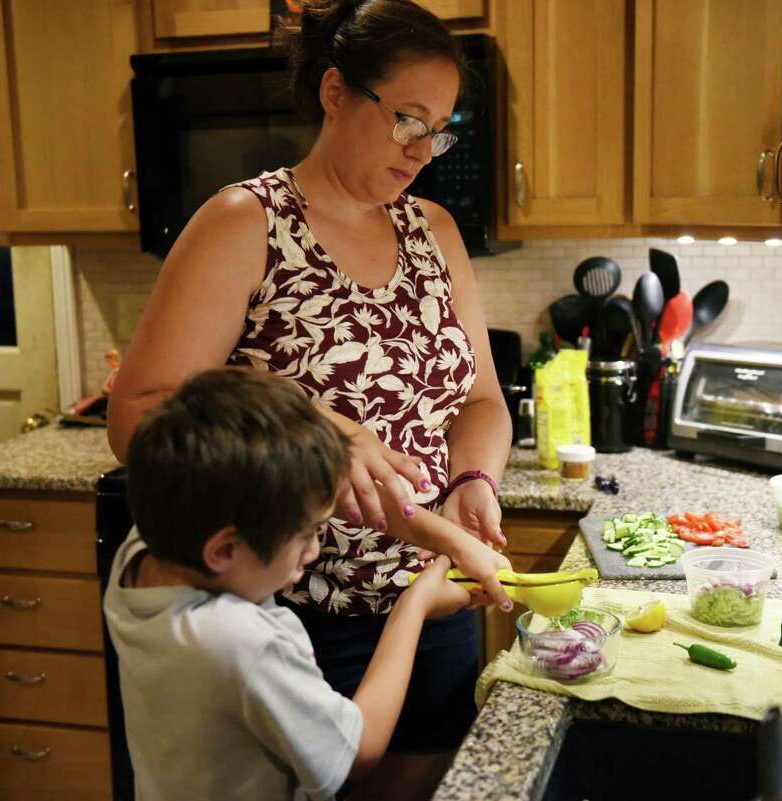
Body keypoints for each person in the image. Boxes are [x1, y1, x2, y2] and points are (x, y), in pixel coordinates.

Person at [107, 1, 513, 795]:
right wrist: (321, 430)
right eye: (407, 121)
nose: (424, 151)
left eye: (441, 128)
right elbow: (137, 416)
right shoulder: (245, 222)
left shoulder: (436, 230)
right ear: (335, 92)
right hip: (290, 609)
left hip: (430, 596)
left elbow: (482, 400)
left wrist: (474, 482)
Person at [104, 367, 475, 801]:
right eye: (304, 535)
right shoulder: (242, 641)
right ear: (223, 551)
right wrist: (414, 606)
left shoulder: (141, 558)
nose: (312, 551)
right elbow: (359, 749)